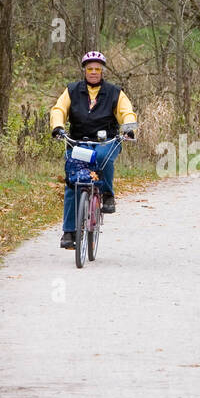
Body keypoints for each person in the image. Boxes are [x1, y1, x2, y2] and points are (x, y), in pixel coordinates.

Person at [49, 50, 138, 249]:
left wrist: (129, 129)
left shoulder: (115, 92)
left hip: (107, 140)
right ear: (84, 70)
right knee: (73, 181)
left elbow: (127, 112)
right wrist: (57, 127)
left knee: (103, 158)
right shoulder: (72, 90)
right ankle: (69, 232)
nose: (94, 72)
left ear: (103, 71)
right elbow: (59, 109)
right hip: (78, 141)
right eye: (90, 69)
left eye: (98, 69)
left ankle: (107, 194)